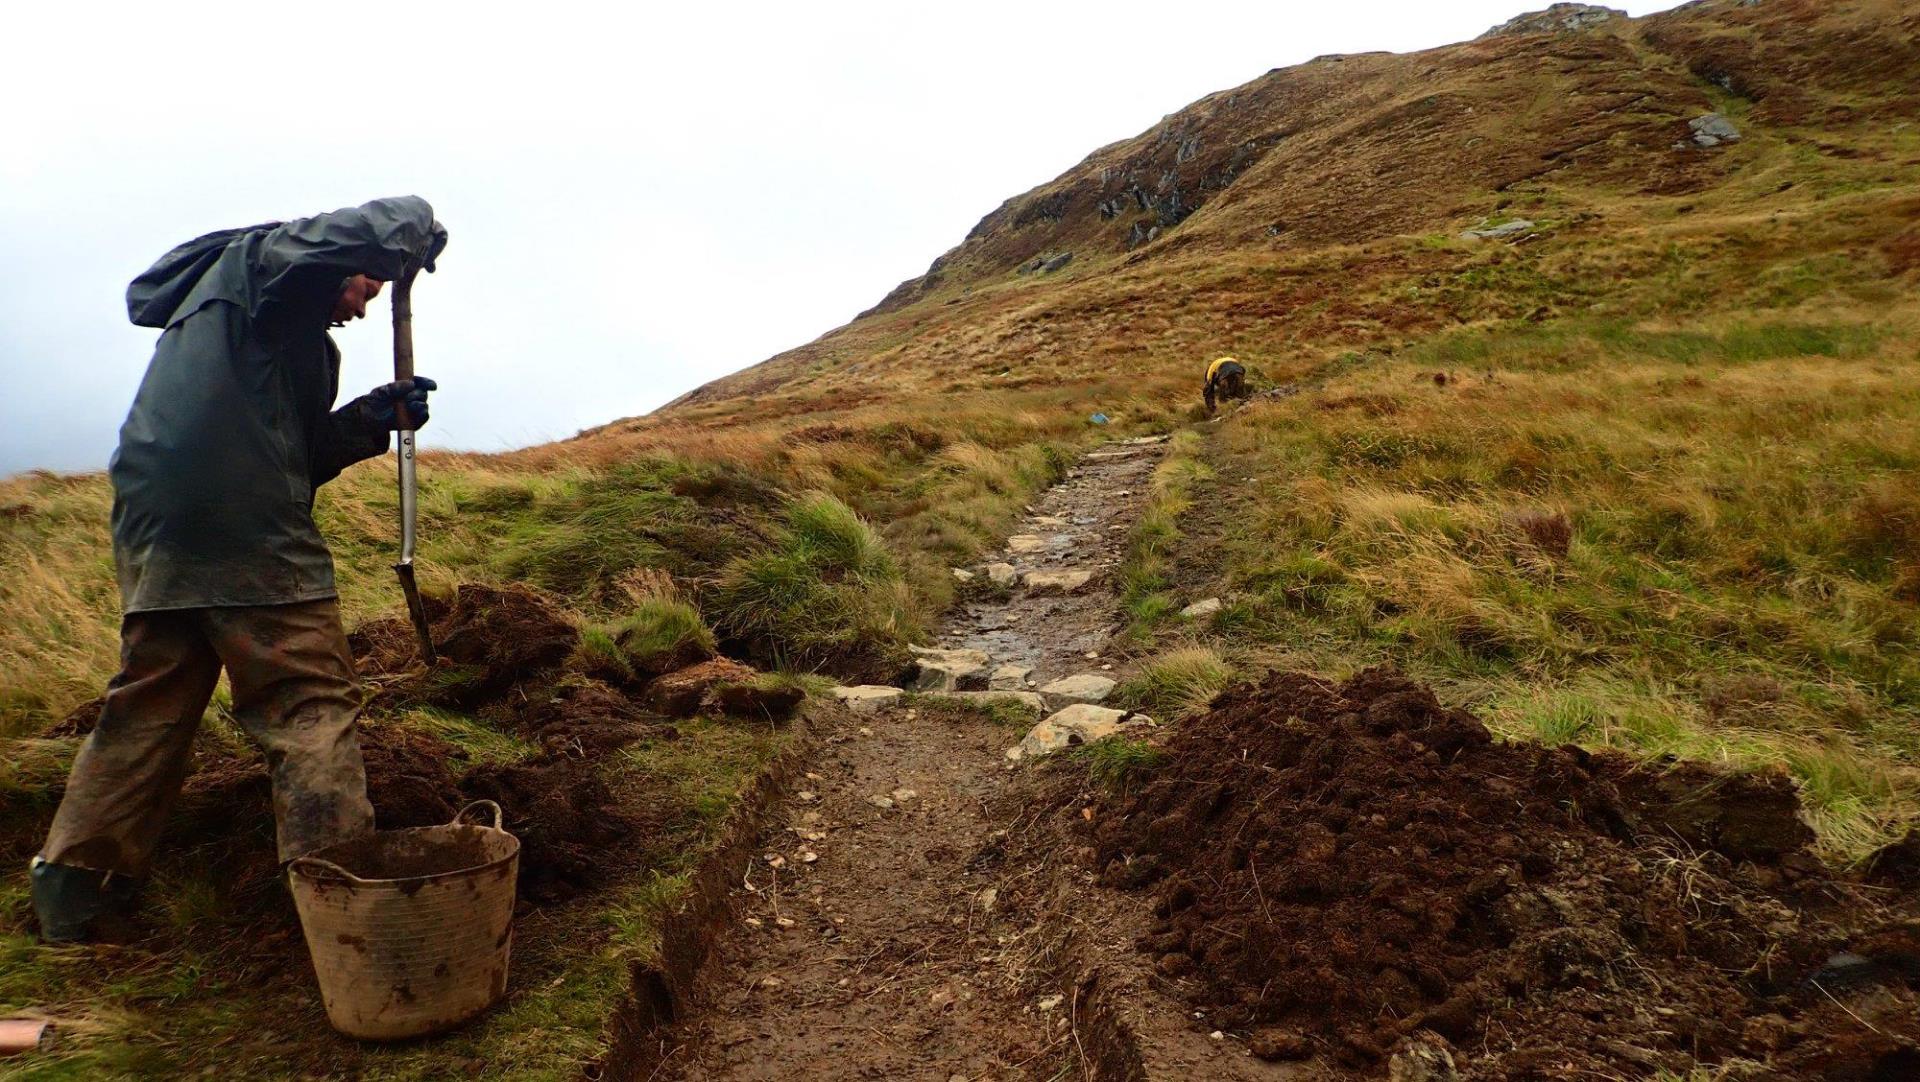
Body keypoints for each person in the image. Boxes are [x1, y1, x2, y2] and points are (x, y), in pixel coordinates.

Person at [30, 197, 449, 942]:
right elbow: (358, 229)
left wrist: (366, 420)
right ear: (339, 264)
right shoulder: (260, 266)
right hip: (242, 526)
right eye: (369, 284)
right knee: (307, 701)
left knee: (146, 707)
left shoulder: (243, 319)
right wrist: (414, 227)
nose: (370, 300)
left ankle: (76, 897)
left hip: (159, 528)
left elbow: (291, 456)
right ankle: (340, 906)